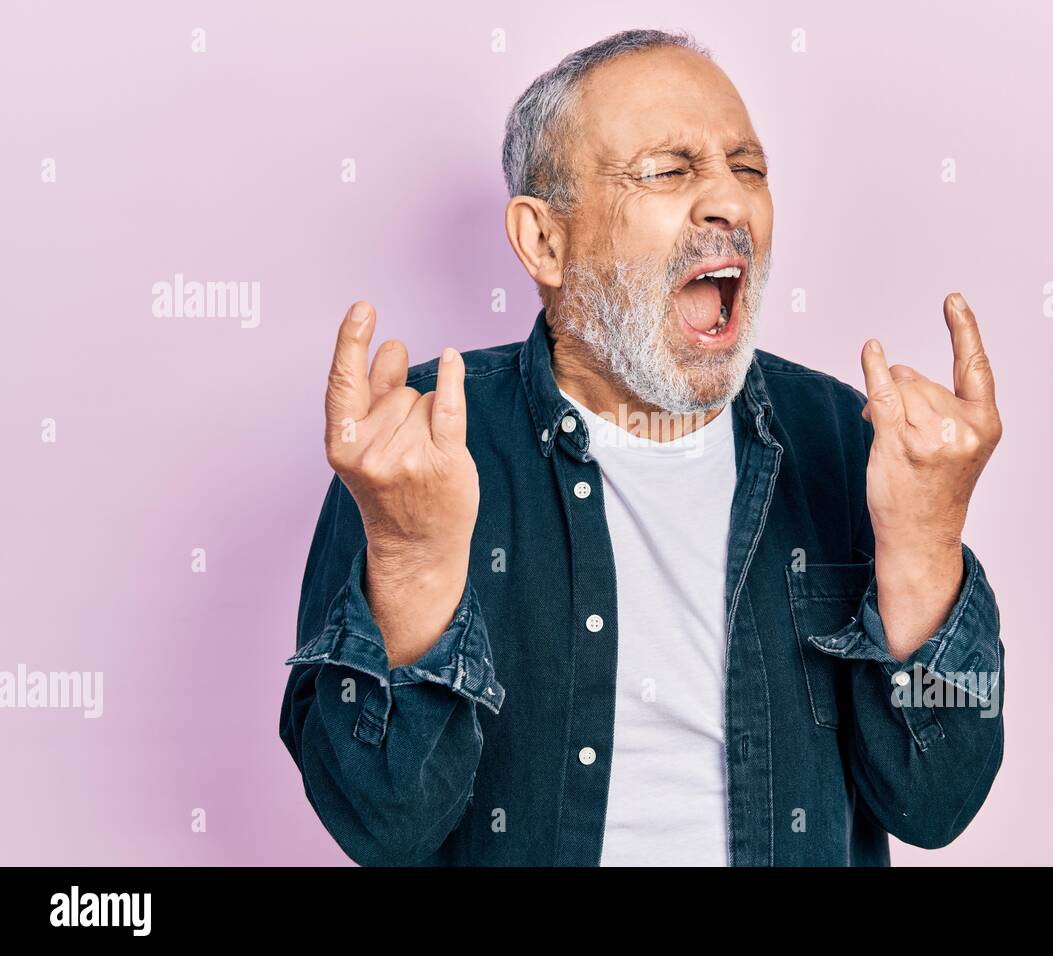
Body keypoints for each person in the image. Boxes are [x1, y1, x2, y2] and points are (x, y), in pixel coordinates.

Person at [280, 28, 1005, 866]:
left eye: (749, 168)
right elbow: (378, 820)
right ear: (544, 242)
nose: (728, 202)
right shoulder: (415, 454)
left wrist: (926, 542)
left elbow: (937, 801)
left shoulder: (851, 440)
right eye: (669, 171)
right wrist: (410, 558)